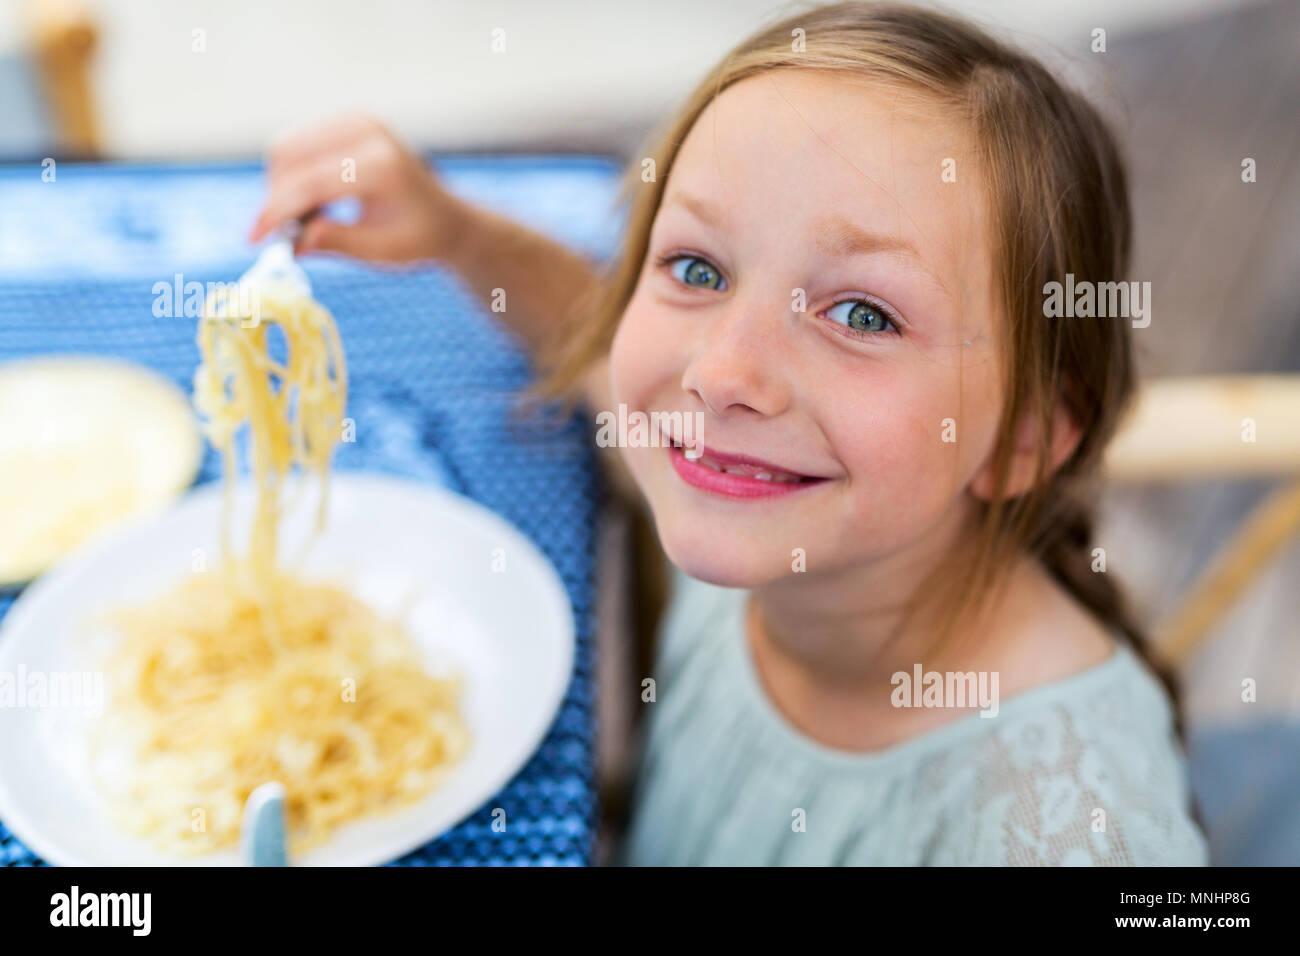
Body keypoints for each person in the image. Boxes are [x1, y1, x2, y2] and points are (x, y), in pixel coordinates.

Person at [251, 2, 1209, 865]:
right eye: (700, 269)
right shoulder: (747, 483)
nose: (719, 373)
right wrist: (456, 232)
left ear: (1021, 441)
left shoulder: (1070, 827)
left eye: (864, 316)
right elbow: (597, 346)